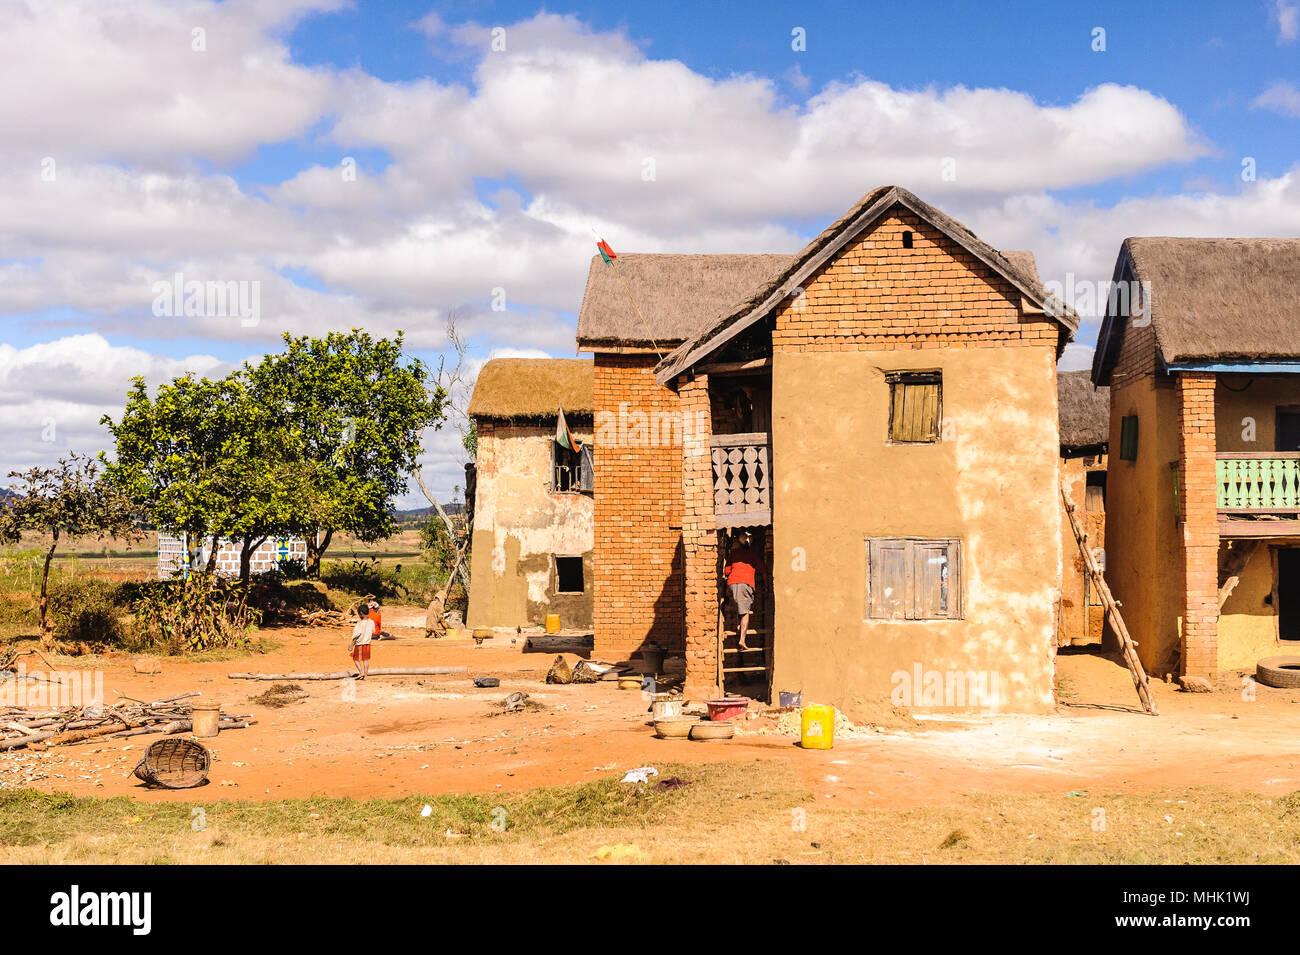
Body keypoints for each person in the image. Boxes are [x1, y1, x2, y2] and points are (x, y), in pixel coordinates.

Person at [723, 530, 766, 651]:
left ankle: (739, 626)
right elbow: (763, 570)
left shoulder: (734, 553)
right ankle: (742, 639)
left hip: (732, 583)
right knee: (746, 612)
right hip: (745, 583)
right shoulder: (753, 554)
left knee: (740, 605)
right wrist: (766, 585)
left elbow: (727, 571)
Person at [349, 603, 376, 679]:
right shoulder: (371, 622)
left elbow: (356, 635)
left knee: (355, 659)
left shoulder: (360, 623)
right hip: (368, 644)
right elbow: (373, 631)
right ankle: (366, 674)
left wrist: (351, 645)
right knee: (365, 660)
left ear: (361, 613)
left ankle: (361, 672)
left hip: (360, 644)